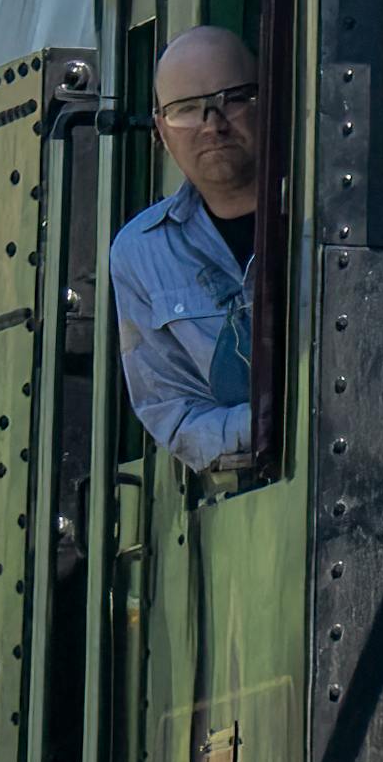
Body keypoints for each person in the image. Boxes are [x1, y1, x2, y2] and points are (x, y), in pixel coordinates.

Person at [114, 26, 286, 480]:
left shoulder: (326, 219)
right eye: (186, 109)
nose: (212, 124)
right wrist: (276, 422)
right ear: (161, 130)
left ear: (269, 101)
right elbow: (174, 414)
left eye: (233, 98)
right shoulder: (141, 254)